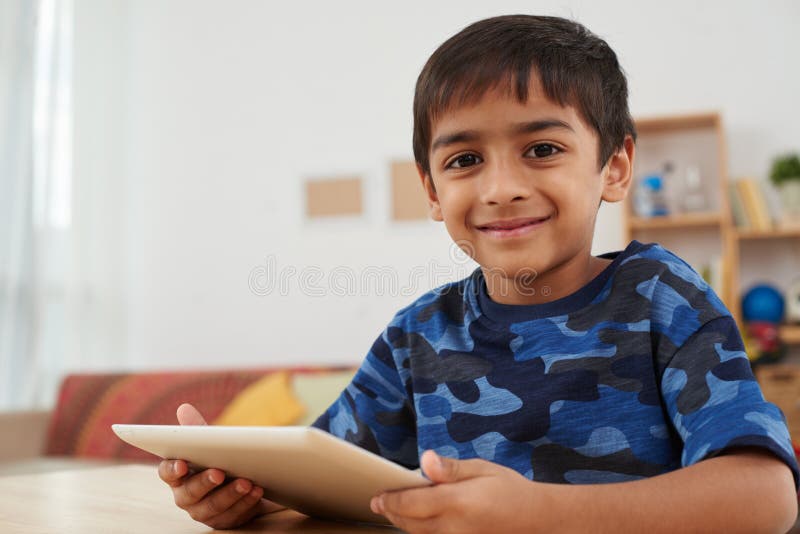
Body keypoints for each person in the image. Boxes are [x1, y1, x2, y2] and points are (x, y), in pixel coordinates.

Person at [158, 15, 799, 532]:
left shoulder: (661, 297)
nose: (500, 188)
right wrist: (241, 491)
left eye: (542, 149)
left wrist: (541, 516)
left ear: (615, 166)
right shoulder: (417, 335)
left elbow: (766, 497)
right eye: (465, 159)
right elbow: (324, 473)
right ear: (432, 192)